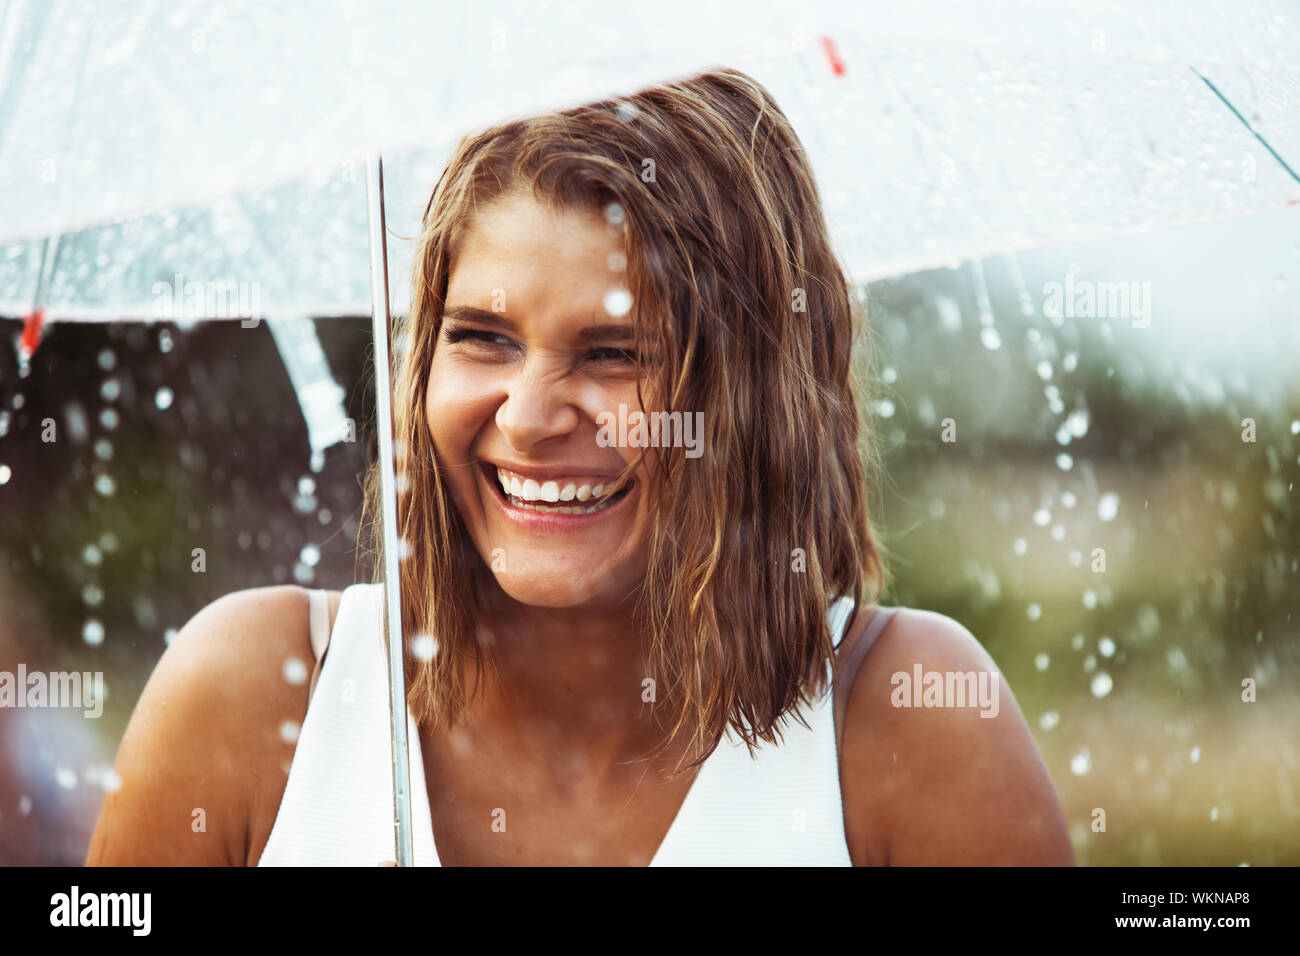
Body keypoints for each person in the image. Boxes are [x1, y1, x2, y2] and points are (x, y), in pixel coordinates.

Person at [86, 68, 1073, 866]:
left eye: (613, 353)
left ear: (757, 392)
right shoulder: (254, 699)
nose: (529, 416)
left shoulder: (908, 719)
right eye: (481, 338)